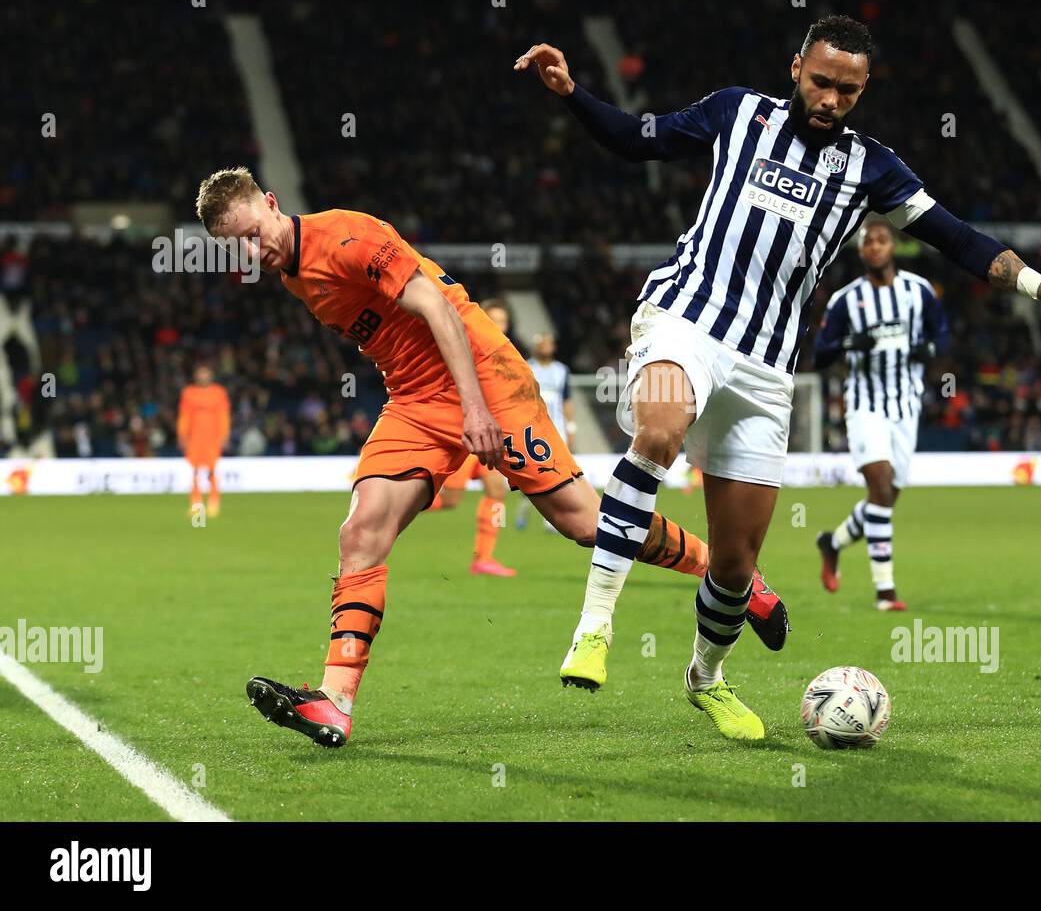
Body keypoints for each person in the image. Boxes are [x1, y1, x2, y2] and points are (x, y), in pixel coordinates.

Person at [516, 14, 1041, 740]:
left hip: (769, 362)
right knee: (659, 429)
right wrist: (572, 91)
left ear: (864, 92)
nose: (832, 99)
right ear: (797, 66)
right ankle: (594, 628)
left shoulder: (874, 167)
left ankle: (705, 679)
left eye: (848, 91)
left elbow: (959, 238)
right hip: (687, 318)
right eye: (822, 81)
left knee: (736, 564)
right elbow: (637, 138)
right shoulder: (737, 111)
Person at [194, 167, 786, 748]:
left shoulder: (349, 237)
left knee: (584, 523)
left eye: (252, 235)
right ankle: (335, 702)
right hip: (416, 398)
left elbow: (440, 310)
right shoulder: (293, 276)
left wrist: (476, 409)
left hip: (486, 378)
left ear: (271, 203)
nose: (252, 253)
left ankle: (733, 578)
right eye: (235, 249)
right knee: (360, 532)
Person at [814, 220, 948, 610]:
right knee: (882, 488)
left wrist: (933, 352)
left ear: (894, 246)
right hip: (865, 406)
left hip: (906, 406)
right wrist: (849, 342)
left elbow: (942, 332)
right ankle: (885, 591)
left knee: (884, 498)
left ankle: (833, 542)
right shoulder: (845, 299)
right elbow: (821, 354)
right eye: (868, 242)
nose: (875, 247)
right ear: (861, 251)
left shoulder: (918, 291)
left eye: (882, 240)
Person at [516, 332, 573, 532]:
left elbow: (566, 401)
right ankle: (527, 508)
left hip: (557, 427)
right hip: (534, 427)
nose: (546, 346)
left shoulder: (561, 371)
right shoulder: (526, 367)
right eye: (542, 343)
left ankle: (552, 519)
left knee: (559, 472)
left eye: (549, 343)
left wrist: (571, 427)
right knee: (537, 471)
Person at [177, 364, 230, 516]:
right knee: (194, 471)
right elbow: (184, 416)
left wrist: (224, 435)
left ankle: (214, 501)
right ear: (196, 376)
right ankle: (196, 506)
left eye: (205, 374)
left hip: (212, 437)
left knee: (212, 470)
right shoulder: (188, 393)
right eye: (200, 374)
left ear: (210, 376)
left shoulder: (219, 393)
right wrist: (182, 435)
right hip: (194, 437)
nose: (203, 377)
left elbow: (223, 416)